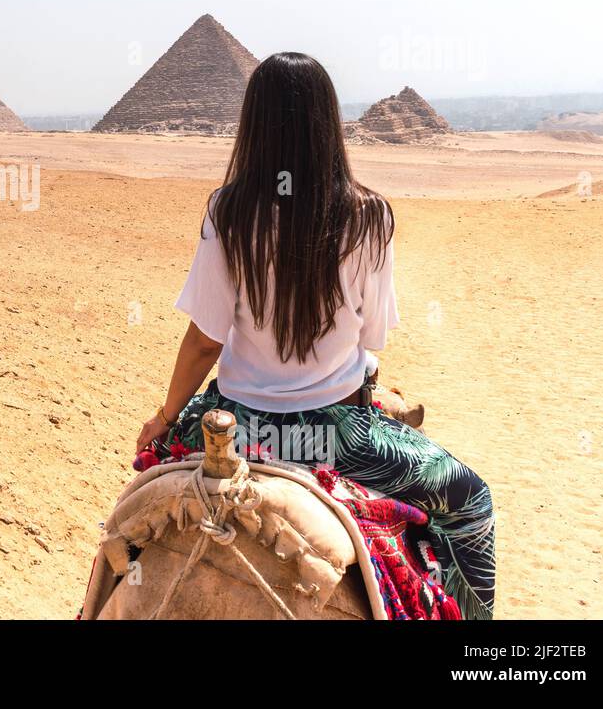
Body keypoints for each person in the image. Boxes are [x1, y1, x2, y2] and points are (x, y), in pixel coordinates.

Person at [136, 52, 495, 620]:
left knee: (137, 506)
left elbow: (206, 341)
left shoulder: (228, 213)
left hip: (239, 428)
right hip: (338, 435)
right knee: (471, 501)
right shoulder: (370, 218)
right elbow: (373, 336)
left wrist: (163, 417)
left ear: (254, 126)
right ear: (329, 123)